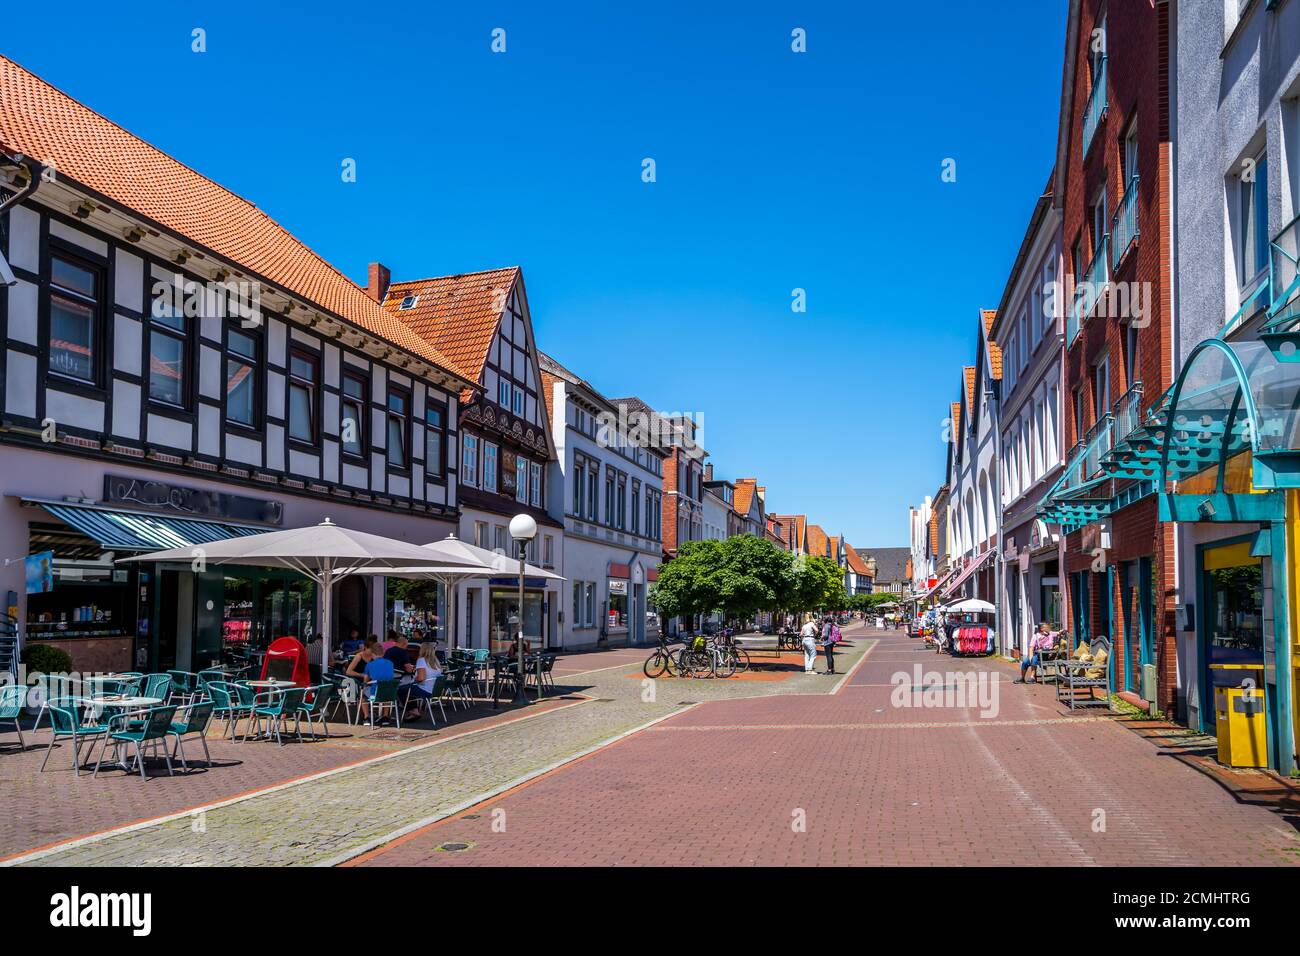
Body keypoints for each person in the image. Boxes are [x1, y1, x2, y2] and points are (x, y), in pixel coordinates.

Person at [402, 643, 443, 722]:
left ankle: (414, 711)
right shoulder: (436, 662)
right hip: (434, 691)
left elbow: (421, 678)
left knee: (402, 690)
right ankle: (413, 710)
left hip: (425, 689)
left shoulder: (421, 660)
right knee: (409, 689)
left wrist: (414, 680)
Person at [361, 643, 397, 724]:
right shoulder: (390, 663)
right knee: (386, 690)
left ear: (372, 654)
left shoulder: (369, 664)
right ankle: (385, 717)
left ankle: (366, 718)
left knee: (363, 696)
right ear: (383, 653)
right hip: (390, 694)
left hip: (375, 694)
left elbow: (365, 681)